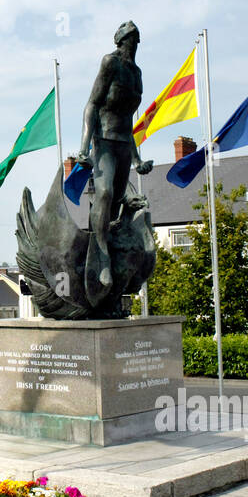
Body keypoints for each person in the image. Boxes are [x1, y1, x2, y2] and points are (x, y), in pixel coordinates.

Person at [75, 20, 153, 298]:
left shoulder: (137, 73)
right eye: (128, 39)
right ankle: (102, 259)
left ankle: (111, 249)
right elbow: (92, 104)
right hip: (104, 142)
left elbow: (128, 121)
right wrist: (84, 148)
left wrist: (136, 160)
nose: (132, 44)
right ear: (120, 41)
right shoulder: (110, 63)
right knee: (105, 193)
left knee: (116, 204)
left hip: (122, 143)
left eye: (135, 39)